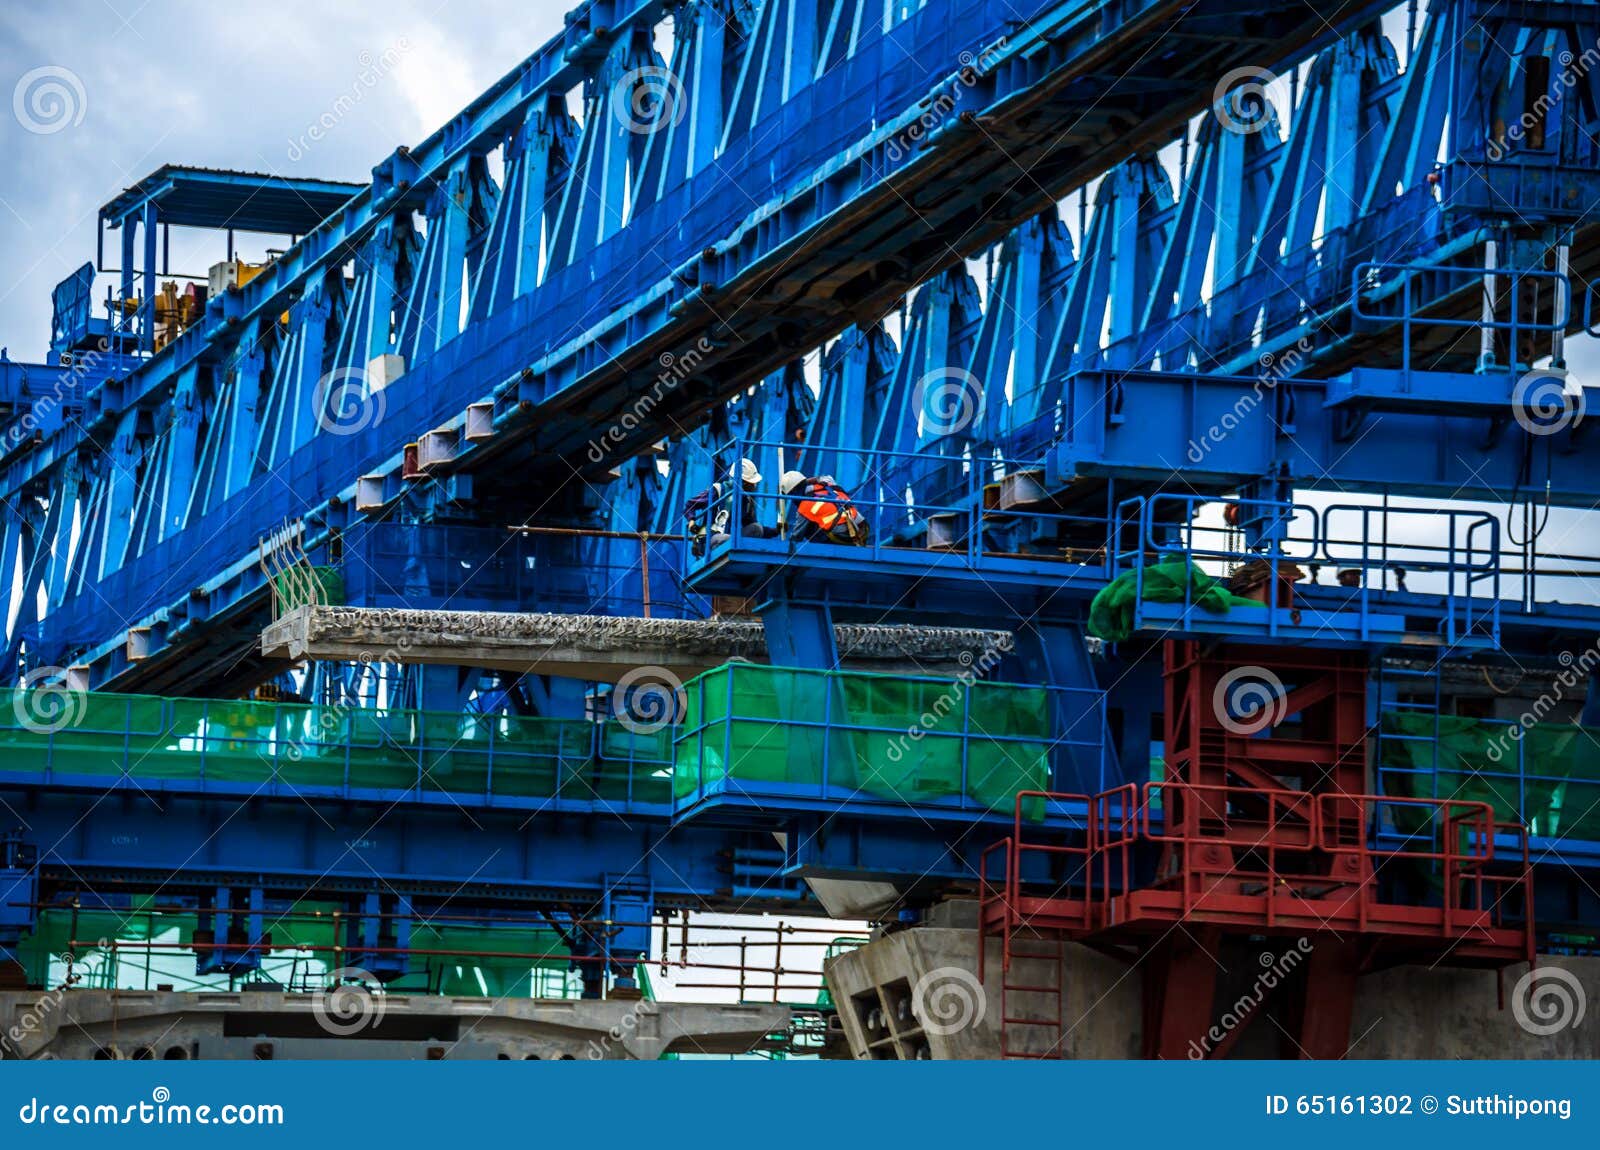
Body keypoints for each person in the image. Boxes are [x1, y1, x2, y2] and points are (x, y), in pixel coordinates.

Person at [684, 459, 772, 556]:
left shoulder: (746, 500)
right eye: (751, 483)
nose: (755, 486)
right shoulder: (718, 490)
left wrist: (775, 531)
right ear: (742, 482)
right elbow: (690, 504)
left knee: (757, 528)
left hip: (730, 538)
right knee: (726, 539)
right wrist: (692, 521)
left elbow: (752, 526)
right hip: (712, 539)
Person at [780, 470, 871, 545]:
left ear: (793, 492)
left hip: (844, 537)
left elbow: (797, 536)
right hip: (863, 528)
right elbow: (826, 477)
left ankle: (821, 549)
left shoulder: (804, 506)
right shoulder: (828, 484)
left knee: (808, 527)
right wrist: (804, 481)